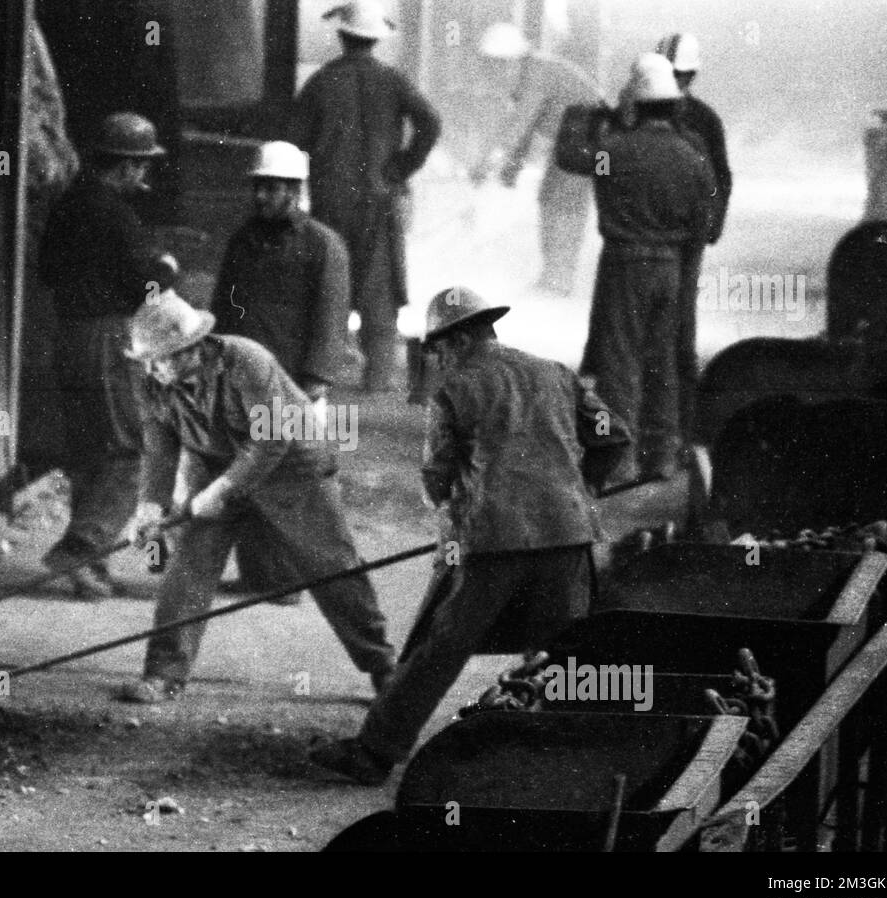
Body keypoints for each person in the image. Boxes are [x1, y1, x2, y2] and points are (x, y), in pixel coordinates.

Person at [309, 287, 631, 784]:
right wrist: (580, 489)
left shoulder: (455, 388)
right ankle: (570, 763)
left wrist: (450, 512)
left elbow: (436, 475)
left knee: (439, 647)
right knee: (562, 652)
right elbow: (614, 435)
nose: (435, 357)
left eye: (436, 346)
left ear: (457, 338)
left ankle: (374, 753)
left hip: (490, 543)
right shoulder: (555, 372)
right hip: (569, 536)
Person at [116, 290, 397, 704]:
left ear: (193, 348)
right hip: (214, 463)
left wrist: (221, 491)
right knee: (188, 565)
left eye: (164, 357)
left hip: (291, 467)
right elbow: (160, 446)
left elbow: (269, 442)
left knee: (330, 566)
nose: (153, 368)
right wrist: (150, 507)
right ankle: (163, 674)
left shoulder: (247, 361)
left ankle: (384, 669)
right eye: (147, 360)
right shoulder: (152, 378)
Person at [556, 54, 716, 485]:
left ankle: (619, 459)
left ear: (637, 104)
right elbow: (703, 218)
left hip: (626, 265)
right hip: (671, 267)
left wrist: (584, 118)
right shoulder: (692, 155)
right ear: (673, 104)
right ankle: (660, 457)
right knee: (661, 361)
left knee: (618, 364)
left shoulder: (614, 153)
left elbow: (571, 158)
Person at [37, 112, 178, 599]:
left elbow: (47, 271)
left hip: (68, 338)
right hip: (107, 339)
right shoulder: (115, 213)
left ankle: (89, 565)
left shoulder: (67, 205)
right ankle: (77, 549)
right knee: (129, 450)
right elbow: (147, 285)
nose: (144, 177)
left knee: (89, 452)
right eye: (141, 166)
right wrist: (166, 266)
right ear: (123, 166)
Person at [209, 140, 352, 604]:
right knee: (247, 474)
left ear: (295, 191)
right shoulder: (243, 240)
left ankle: (288, 580)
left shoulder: (323, 245)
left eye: (272, 188)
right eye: (258, 187)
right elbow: (222, 307)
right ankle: (260, 575)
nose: (262, 196)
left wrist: (314, 383)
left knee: (289, 482)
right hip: (242, 379)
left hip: (293, 382)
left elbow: (331, 319)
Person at [289, 0, 441, 392]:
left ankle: (324, 380)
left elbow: (293, 141)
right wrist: (403, 166)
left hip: (331, 203)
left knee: (330, 287)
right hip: (379, 201)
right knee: (379, 295)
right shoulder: (394, 80)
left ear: (342, 36)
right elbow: (431, 122)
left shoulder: (321, 82)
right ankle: (375, 382)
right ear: (376, 40)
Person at [471, 23, 605, 297]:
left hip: (590, 136)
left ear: (515, 59)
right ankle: (552, 276)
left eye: (499, 64)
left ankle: (559, 280)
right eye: (490, 64)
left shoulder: (536, 75)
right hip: (573, 137)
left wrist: (491, 165)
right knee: (549, 199)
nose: (494, 71)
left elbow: (521, 125)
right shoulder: (525, 75)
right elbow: (518, 126)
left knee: (563, 203)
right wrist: (506, 168)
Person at [656, 32, 732, 448]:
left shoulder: (703, 119)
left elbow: (721, 178)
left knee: (679, 337)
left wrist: (710, 228)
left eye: (680, 75)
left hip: (683, 242)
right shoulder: (638, 113)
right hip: (657, 238)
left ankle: (683, 430)